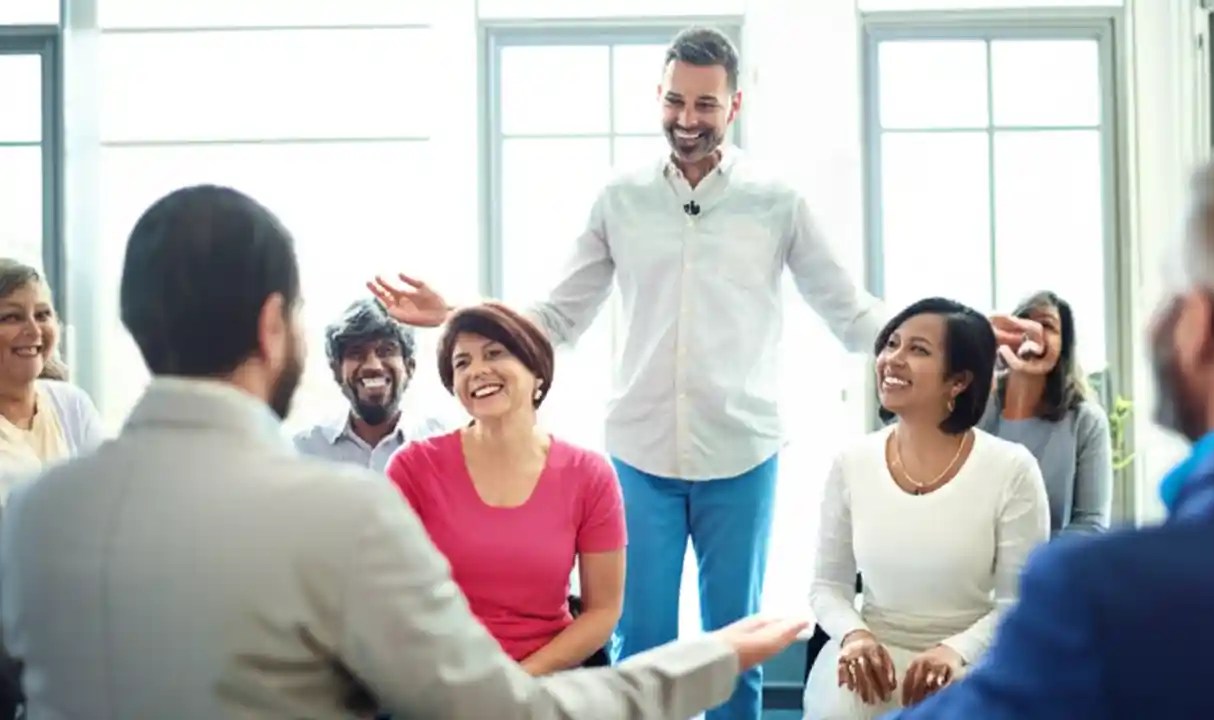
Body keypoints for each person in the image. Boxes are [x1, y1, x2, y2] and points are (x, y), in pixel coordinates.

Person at [0, 184, 807, 719]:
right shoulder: (337, 511)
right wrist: (714, 655)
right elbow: (502, 711)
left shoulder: (35, 514)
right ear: (273, 325)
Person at [369, 26, 889, 719]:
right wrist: (460, 312)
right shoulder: (621, 198)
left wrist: (959, 333)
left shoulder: (777, 202)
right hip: (641, 455)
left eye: (705, 105)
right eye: (675, 101)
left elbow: (850, 313)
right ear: (659, 97)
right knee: (641, 647)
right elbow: (554, 317)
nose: (687, 119)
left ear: (733, 107)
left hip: (742, 452)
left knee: (738, 647)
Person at [884, 148, 1214, 719]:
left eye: (1166, 295)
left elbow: (1087, 525)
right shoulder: (985, 411)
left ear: (1200, 324)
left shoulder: (1101, 598)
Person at [804, 298, 1050, 719]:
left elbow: (1020, 604)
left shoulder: (1012, 469)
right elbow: (828, 586)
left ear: (957, 382)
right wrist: (855, 636)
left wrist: (956, 651)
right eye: (892, 344)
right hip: (872, 658)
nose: (892, 360)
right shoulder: (851, 463)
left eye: (917, 350)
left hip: (971, 660)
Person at [388, 301, 624, 674]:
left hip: (546, 678)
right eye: (462, 363)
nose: (478, 370)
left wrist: (517, 682)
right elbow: (391, 599)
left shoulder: (590, 474)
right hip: (442, 677)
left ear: (537, 373)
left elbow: (602, 611)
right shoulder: (414, 467)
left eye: (494, 354)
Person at [979, 291, 1113, 535]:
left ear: (1063, 346)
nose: (1032, 333)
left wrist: (1030, 561)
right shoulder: (977, 408)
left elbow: (1091, 524)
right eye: (1023, 323)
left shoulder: (1086, 422)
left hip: (1046, 568)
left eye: (1046, 325)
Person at [294, 298, 445, 472]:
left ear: (409, 367)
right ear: (336, 371)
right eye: (356, 353)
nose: (373, 366)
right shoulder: (303, 452)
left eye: (386, 351)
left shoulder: (442, 447)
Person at [0, 258, 105, 494]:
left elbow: (105, 494)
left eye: (42, 314)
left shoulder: (71, 404)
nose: (34, 330)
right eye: (11, 317)